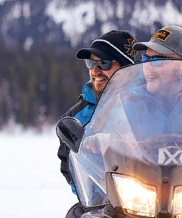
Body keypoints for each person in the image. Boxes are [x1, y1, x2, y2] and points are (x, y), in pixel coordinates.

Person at [57, 30, 136, 189]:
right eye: (91, 64)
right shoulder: (76, 115)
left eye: (103, 63)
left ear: (125, 67)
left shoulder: (146, 104)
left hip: (150, 196)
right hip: (102, 205)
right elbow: (68, 167)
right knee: (76, 214)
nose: (95, 71)